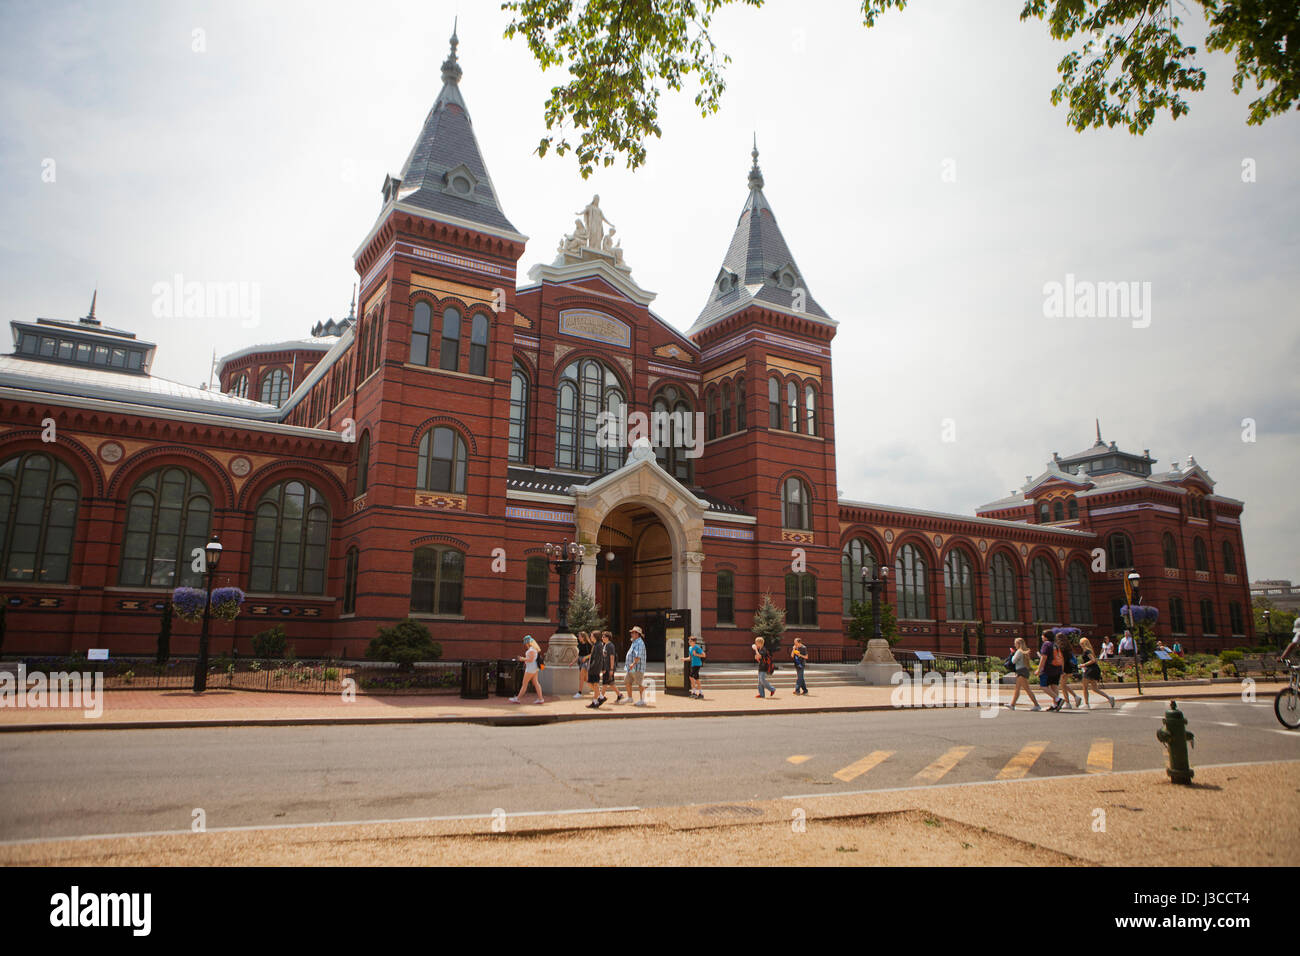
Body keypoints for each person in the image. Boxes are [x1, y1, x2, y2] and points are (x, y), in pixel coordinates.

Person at [1003, 637, 1041, 710]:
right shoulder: (1024, 651)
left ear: (1018, 644)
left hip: (1020, 671)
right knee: (1017, 689)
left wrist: (1012, 654)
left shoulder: (1019, 651)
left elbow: (1013, 661)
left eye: (1015, 643)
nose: (1015, 645)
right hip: (1023, 670)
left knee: (1026, 689)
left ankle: (1036, 705)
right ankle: (1012, 704)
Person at [1077, 637, 1115, 709]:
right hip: (1094, 669)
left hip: (1090, 670)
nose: (1080, 645)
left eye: (1081, 644)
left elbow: (1093, 660)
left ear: (1083, 644)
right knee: (1095, 688)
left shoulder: (1087, 651)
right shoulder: (1089, 650)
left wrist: (1083, 665)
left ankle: (1086, 704)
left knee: (1084, 687)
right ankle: (1109, 698)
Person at [587, 630, 621, 708]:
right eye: (602, 637)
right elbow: (602, 657)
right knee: (603, 684)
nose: (603, 638)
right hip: (599, 668)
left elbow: (608, 657)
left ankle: (597, 700)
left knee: (601, 684)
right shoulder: (601, 645)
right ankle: (601, 697)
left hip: (597, 669)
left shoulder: (605, 645)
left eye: (604, 637)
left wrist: (610, 669)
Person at [510, 635, 545, 704]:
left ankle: (517, 699)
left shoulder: (531, 650)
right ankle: (540, 699)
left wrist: (522, 659)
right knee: (536, 683)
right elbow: (532, 659)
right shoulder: (534, 649)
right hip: (534, 668)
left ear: (528, 642)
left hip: (530, 669)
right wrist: (525, 659)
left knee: (524, 684)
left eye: (525, 643)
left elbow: (531, 659)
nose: (525, 645)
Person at [1036, 630, 1064, 711]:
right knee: (1054, 686)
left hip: (1048, 668)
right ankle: (1055, 705)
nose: (1041, 637)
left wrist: (1039, 669)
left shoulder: (1046, 644)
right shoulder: (1055, 645)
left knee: (1043, 686)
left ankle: (1058, 699)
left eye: (1042, 635)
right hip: (1057, 668)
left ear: (1045, 637)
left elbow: (1043, 657)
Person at [1057, 634, 1084, 709]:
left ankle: (1069, 701)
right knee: (1063, 685)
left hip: (1065, 667)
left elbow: (1062, 659)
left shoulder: (1061, 648)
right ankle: (1074, 698)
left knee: (1063, 685)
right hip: (1069, 667)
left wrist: (1061, 670)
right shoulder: (1068, 647)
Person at [624, 625, 648, 706]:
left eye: (633, 633)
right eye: (632, 633)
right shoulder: (635, 642)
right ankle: (630, 698)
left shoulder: (639, 643)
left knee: (640, 683)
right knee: (627, 681)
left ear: (637, 634)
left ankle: (642, 700)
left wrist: (633, 663)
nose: (631, 634)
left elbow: (638, 655)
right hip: (631, 668)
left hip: (637, 667)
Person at [683, 635, 706, 699]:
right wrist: (684, 659)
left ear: (694, 642)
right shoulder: (690, 648)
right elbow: (690, 658)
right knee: (694, 678)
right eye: (689, 641)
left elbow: (704, 655)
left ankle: (697, 693)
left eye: (690, 641)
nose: (688, 642)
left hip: (697, 664)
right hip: (693, 665)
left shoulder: (697, 648)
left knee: (692, 677)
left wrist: (696, 654)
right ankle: (697, 693)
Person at [574, 630, 591, 699]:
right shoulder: (580, 644)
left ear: (583, 637)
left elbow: (592, 654)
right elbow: (578, 655)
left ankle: (579, 692)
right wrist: (573, 662)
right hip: (580, 661)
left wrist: (586, 657)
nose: (578, 638)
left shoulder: (589, 645)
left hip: (586, 662)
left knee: (581, 677)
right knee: (586, 679)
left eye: (580, 636)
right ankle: (597, 689)